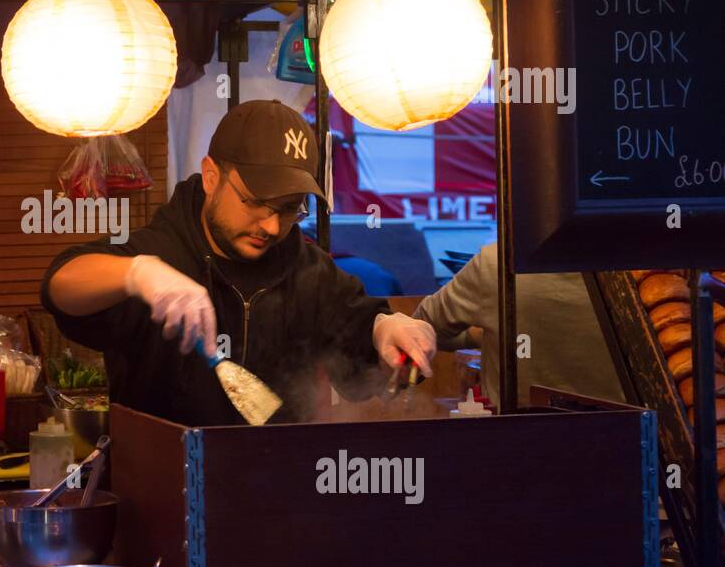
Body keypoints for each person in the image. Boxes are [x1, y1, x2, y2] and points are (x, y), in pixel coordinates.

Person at [40, 99, 437, 426]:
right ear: (211, 175)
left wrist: (386, 329)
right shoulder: (161, 251)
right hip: (160, 492)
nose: (270, 225)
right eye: (255, 202)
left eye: (287, 209)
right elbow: (60, 286)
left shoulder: (308, 270)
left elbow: (359, 357)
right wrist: (135, 273)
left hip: (274, 491)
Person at [412, 242, 625, 408]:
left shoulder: (496, 263)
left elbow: (420, 328)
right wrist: (486, 334)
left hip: (516, 442)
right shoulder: (643, 266)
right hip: (629, 441)